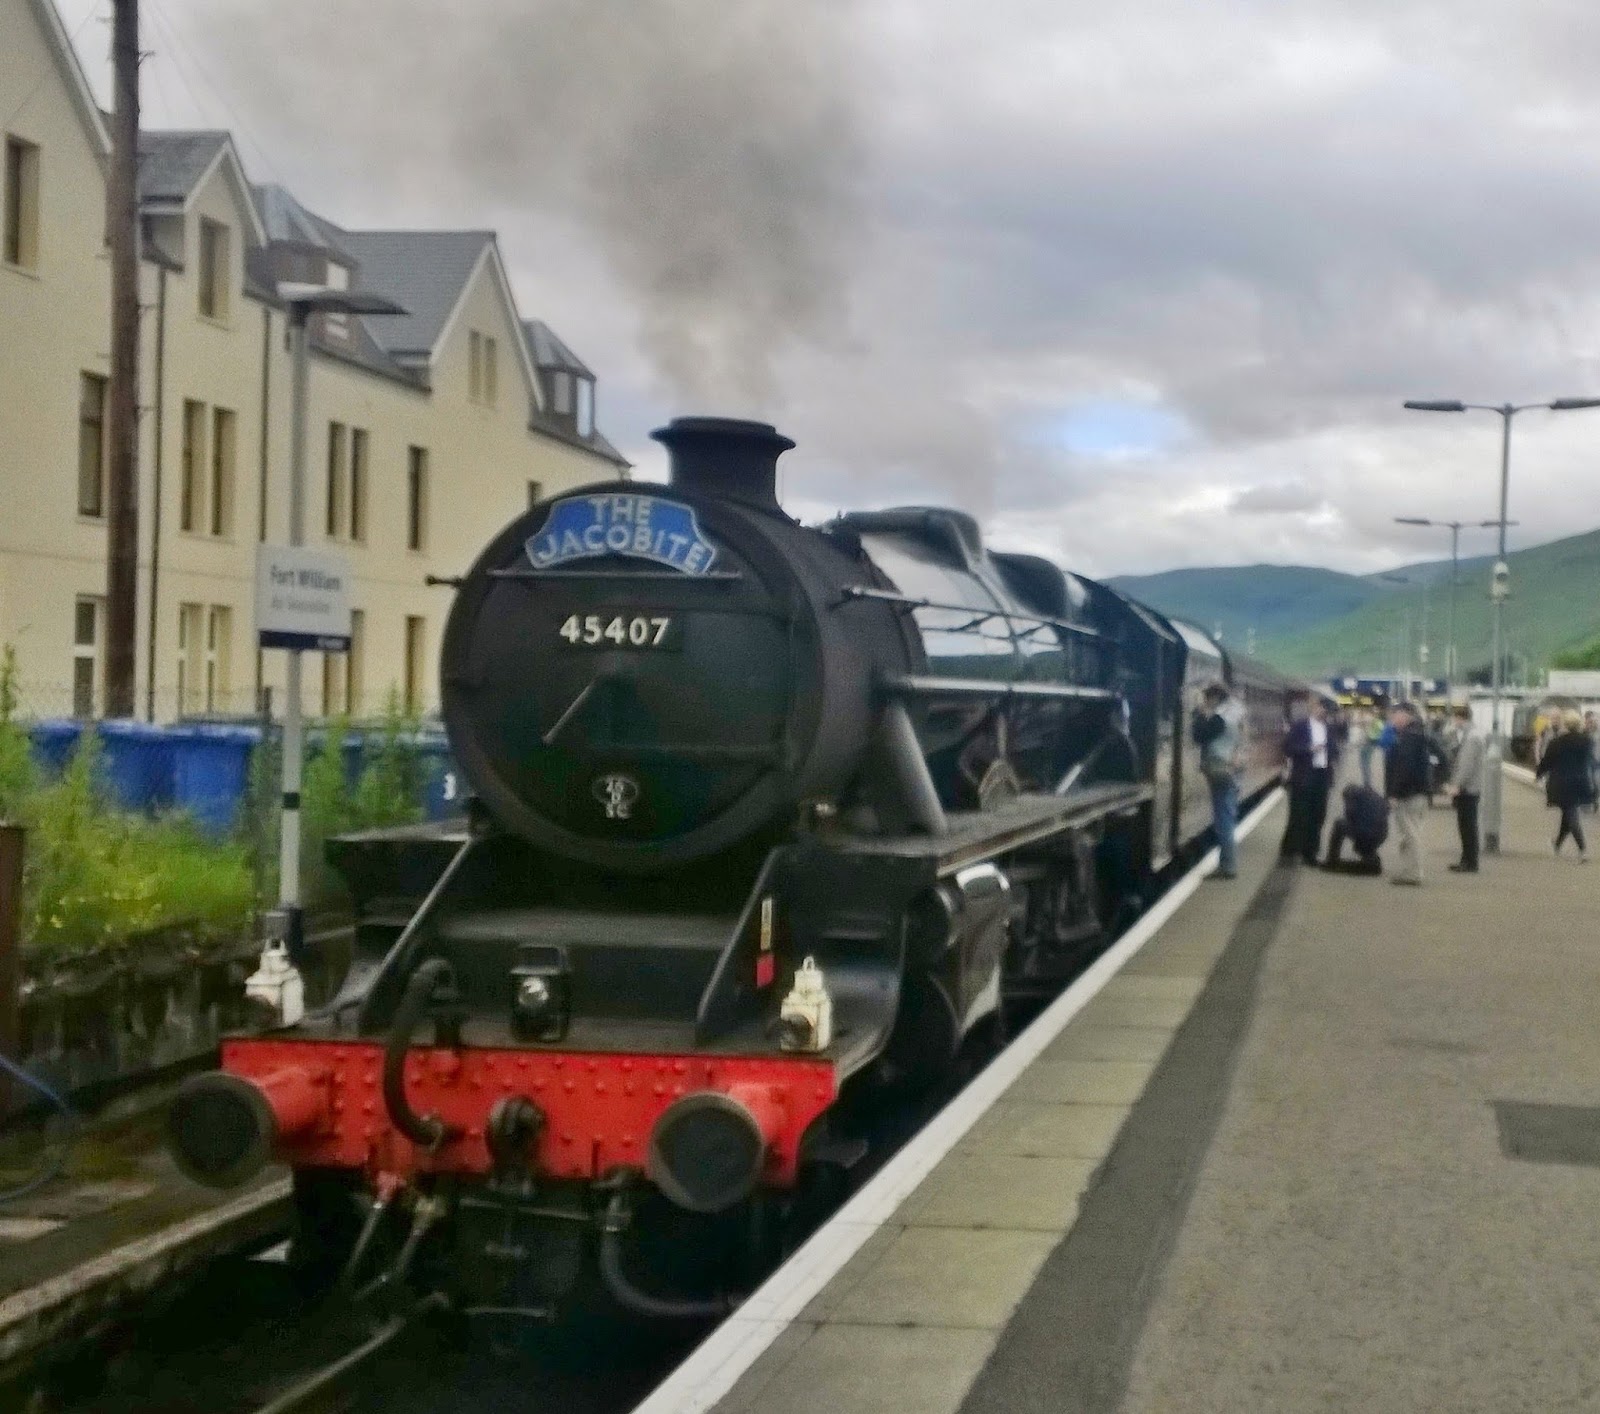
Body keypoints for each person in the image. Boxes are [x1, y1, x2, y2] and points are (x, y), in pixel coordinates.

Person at [1192, 681, 1245, 880]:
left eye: (1207, 697)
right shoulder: (1234, 714)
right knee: (1227, 816)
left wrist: (1201, 711)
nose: (1206, 700)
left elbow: (1198, 735)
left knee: (1223, 820)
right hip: (1230, 771)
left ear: (1214, 697)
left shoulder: (1219, 719)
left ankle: (1228, 866)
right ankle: (1227, 864)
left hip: (1219, 771)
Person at [1282, 694, 1335, 865]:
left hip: (1322, 775)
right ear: (1315, 707)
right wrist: (1308, 749)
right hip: (1304, 775)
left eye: (1327, 711)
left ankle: (1310, 852)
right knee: (1299, 814)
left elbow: (1334, 749)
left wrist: (1331, 751)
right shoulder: (1300, 726)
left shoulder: (1329, 728)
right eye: (1323, 709)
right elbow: (1287, 748)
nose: (1325, 713)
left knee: (1318, 814)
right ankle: (1291, 850)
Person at [1536, 709, 1595, 861]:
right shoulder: (1587, 741)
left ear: (1565, 724)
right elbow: (1591, 761)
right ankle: (1556, 845)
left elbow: (1547, 762)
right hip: (1581, 782)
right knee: (1568, 813)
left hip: (1560, 783)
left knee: (1570, 813)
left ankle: (1583, 849)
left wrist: (1538, 775)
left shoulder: (1556, 743)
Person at [1386, 701, 1431, 885]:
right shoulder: (1417, 733)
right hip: (1417, 792)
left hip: (1409, 794)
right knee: (1410, 834)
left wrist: (1395, 793)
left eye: (1394, 716)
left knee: (1411, 834)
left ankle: (1414, 873)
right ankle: (1408, 870)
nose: (1392, 720)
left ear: (1405, 715)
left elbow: (1404, 767)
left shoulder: (1409, 737)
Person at [1445, 704, 1484, 873]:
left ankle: (1470, 862)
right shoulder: (1469, 734)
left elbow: (1466, 765)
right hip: (1469, 787)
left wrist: (1456, 785)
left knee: (1467, 826)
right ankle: (1466, 859)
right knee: (1466, 825)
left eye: (1455, 718)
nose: (1453, 722)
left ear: (1460, 718)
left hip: (1468, 788)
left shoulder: (1472, 738)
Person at [1322, 782, 1389, 874]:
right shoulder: (1375, 795)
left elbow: (1350, 815)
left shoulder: (1351, 795)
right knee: (1365, 843)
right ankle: (1371, 859)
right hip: (1381, 834)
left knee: (1339, 825)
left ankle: (1331, 860)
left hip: (1365, 832)